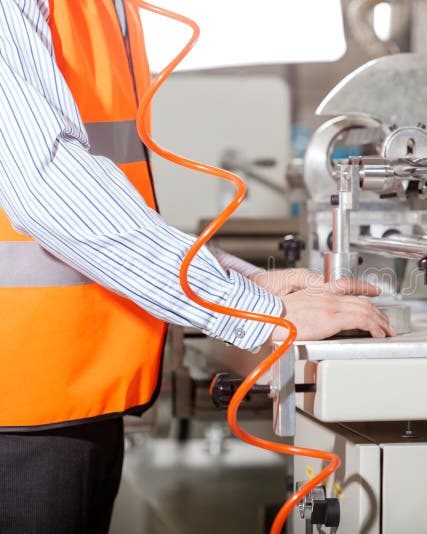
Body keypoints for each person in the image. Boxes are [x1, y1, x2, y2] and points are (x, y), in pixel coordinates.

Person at [0, 1, 393, 532]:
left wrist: (243, 280)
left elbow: (99, 200)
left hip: (68, 394)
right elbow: (48, 187)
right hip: (20, 407)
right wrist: (254, 310)